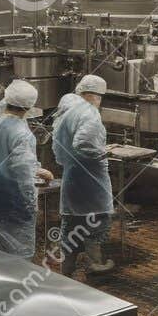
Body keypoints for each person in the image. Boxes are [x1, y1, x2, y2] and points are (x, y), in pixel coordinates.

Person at [0, 79, 52, 257]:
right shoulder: (21, 133)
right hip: (13, 203)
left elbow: (2, 158)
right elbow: (24, 178)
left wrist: (35, 168)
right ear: (30, 106)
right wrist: (30, 205)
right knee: (19, 259)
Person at [54, 75, 115, 279]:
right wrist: (104, 152)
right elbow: (84, 144)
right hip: (90, 179)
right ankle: (95, 263)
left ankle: (67, 270)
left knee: (71, 224)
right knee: (98, 220)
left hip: (72, 174)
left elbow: (60, 148)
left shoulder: (67, 110)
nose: (100, 102)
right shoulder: (89, 112)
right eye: (100, 97)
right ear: (92, 96)